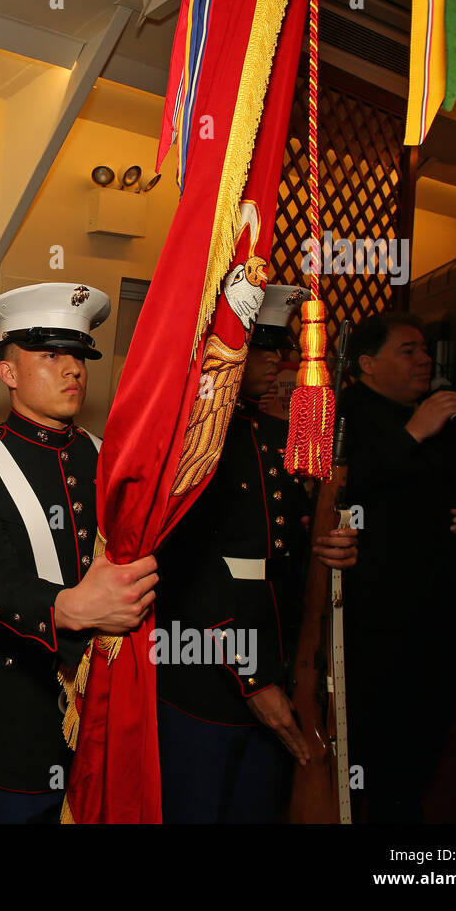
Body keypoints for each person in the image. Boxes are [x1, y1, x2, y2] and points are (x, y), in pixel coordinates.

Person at [0, 283, 160, 824]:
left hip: (105, 707)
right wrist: (72, 609)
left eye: (80, 356)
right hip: (12, 713)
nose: (74, 370)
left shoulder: (105, 456)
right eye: (51, 354)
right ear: (9, 372)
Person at [153, 285, 358, 822]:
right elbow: (186, 572)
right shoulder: (191, 442)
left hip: (278, 648)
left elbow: (289, 545)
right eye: (260, 350)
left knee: (257, 806)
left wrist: (330, 548)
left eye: (278, 349)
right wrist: (252, 678)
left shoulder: (276, 434)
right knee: (197, 804)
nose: (275, 362)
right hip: (205, 662)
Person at [340, 312, 456, 822]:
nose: (425, 359)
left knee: (424, 737)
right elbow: (342, 490)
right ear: (367, 363)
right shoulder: (345, 413)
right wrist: (412, 431)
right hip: (373, 619)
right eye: (408, 350)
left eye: (425, 349)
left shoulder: (451, 419)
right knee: (364, 742)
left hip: (440, 615)